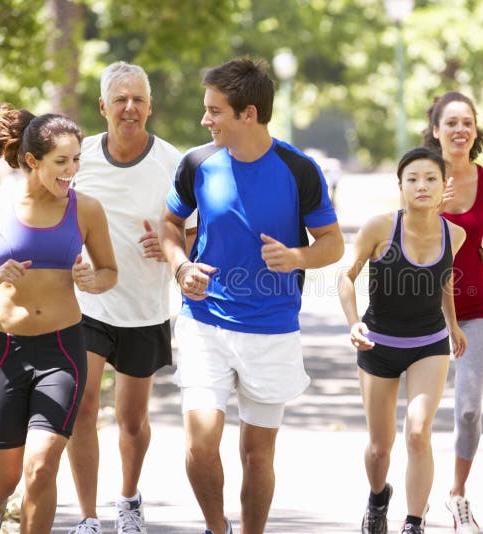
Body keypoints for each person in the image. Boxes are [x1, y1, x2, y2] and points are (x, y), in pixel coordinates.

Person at [157, 57, 344, 534]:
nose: (205, 120)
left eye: (214, 110)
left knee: (257, 456)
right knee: (200, 444)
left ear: (249, 113)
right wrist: (181, 266)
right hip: (204, 322)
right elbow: (170, 226)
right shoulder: (197, 164)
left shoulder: (298, 169)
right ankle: (217, 528)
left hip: (271, 328)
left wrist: (297, 258)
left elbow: (333, 244)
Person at [0, 104, 117, 533]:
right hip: (3, 352)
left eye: (76, 160)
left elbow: (109, 272)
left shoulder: (87, 209)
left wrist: (91, 280)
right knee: (2, 479)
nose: (71, 171)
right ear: (33, 161)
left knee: (40, 467)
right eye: (61, 162)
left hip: (62, 349)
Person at [65, 61, 186, 534]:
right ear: (103, 107)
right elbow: (52, 208)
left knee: (132, 421)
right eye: (120, 99)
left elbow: (193, 233)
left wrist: (173, 248)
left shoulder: (172, 163)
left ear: (150, 107)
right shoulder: (81, 156)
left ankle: (129, 500)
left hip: (145, 308)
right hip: (90, 304)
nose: (129, 107)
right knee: (84, 406)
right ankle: (89, 517)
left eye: (138, 99)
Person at [338, 147, 467, 534]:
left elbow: (443, 280)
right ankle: (378, 497)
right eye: (412, 179)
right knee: (380, 447)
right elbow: (347, 276)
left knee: (417, 431)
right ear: (401, 187)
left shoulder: (454, 234)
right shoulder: (380, 228)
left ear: (444, 185)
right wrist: (353, 322)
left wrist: (454, 325)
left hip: (429, 343)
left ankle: (414, 521)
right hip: (377, 344)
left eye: (430, 178)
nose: (422, 185)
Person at [421, 91, 483, 534]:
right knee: (422, 415)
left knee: (468, 410)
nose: (459, 130)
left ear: (475, 129)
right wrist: (430, 206)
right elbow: (401, 236)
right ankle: (415, 501)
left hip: (475, 308)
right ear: (436, 130)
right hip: (425, 312)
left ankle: (457, 494)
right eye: (450, 122)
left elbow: (481, 226)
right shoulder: (421, 175)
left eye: (467, 122)